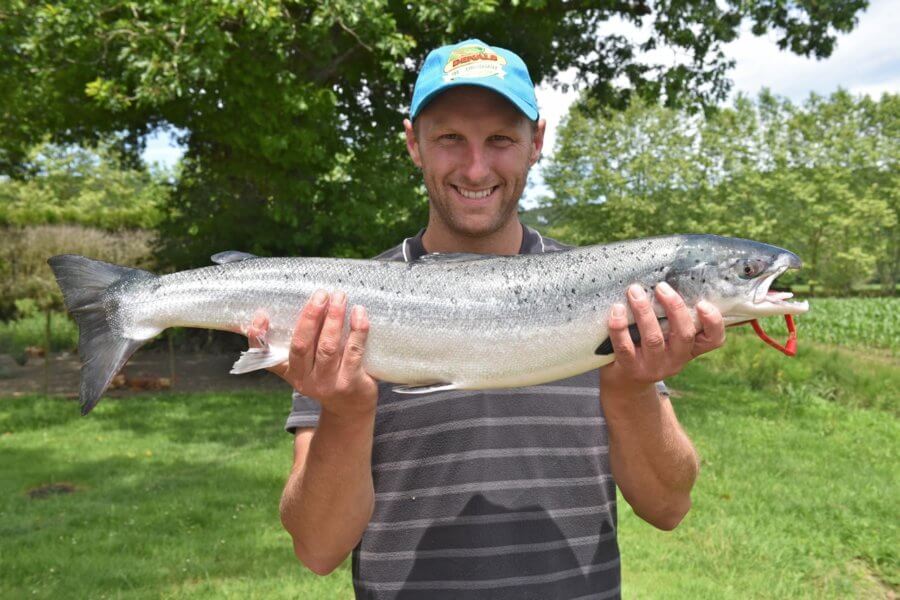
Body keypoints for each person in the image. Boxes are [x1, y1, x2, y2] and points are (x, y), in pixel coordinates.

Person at [248, 39, 725, 599]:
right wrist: (349, 411)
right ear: (414, 144)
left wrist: (631, 389)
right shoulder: (346, 306)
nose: (476, 167)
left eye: (500, 139)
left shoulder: (616, 298)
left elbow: (669, 507)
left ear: (535, 143)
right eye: (451, 138)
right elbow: (317, 548)